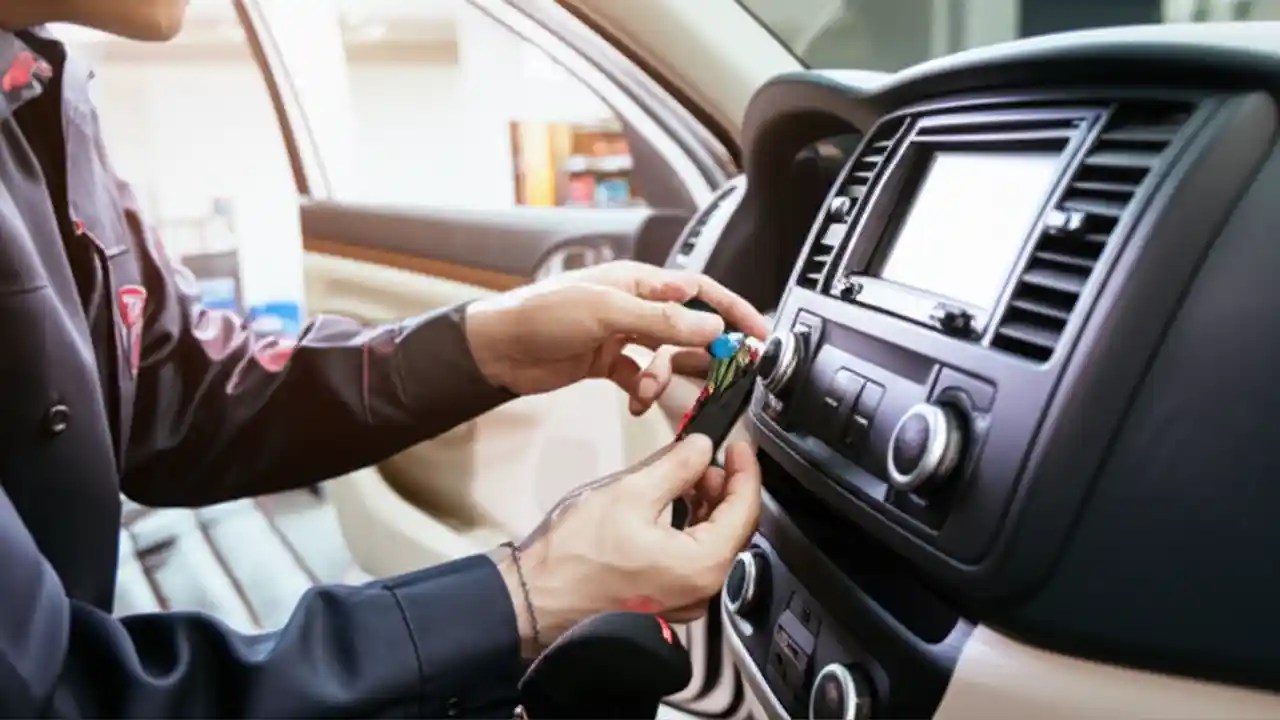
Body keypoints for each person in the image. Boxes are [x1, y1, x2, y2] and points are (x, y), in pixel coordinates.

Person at [0, 1, 769, 717]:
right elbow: (54, 695)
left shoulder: (34, 86)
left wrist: (487, 343)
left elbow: (174, 392)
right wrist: (530, 592)